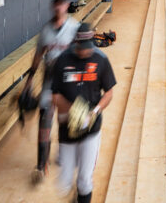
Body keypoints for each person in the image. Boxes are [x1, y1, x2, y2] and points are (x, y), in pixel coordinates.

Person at [52, 24, 116, 203]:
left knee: (84, 181)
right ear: (75, 43)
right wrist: (72, 110)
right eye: (82, 48)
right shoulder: (63, 60)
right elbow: (54, 95)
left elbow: (109, 93)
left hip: (91, 129)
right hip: (67, 128)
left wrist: (94, 111)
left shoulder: (100, 59)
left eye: (88, 48)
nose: (85, 52)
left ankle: (82, 196)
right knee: (63, 183)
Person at [23, 0, 81, 184]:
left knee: (66, 123)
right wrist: (29, 80)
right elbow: (38, 54)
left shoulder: (74, 27)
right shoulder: (46, 30)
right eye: (55, 3)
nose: (58, 7)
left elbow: (83, 54)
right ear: (52, 5)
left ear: (67, 5)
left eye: (62, 3)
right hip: (49, 82)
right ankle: (41, 165)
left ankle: (65, 154)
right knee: (44, 122)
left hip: (68, 83)